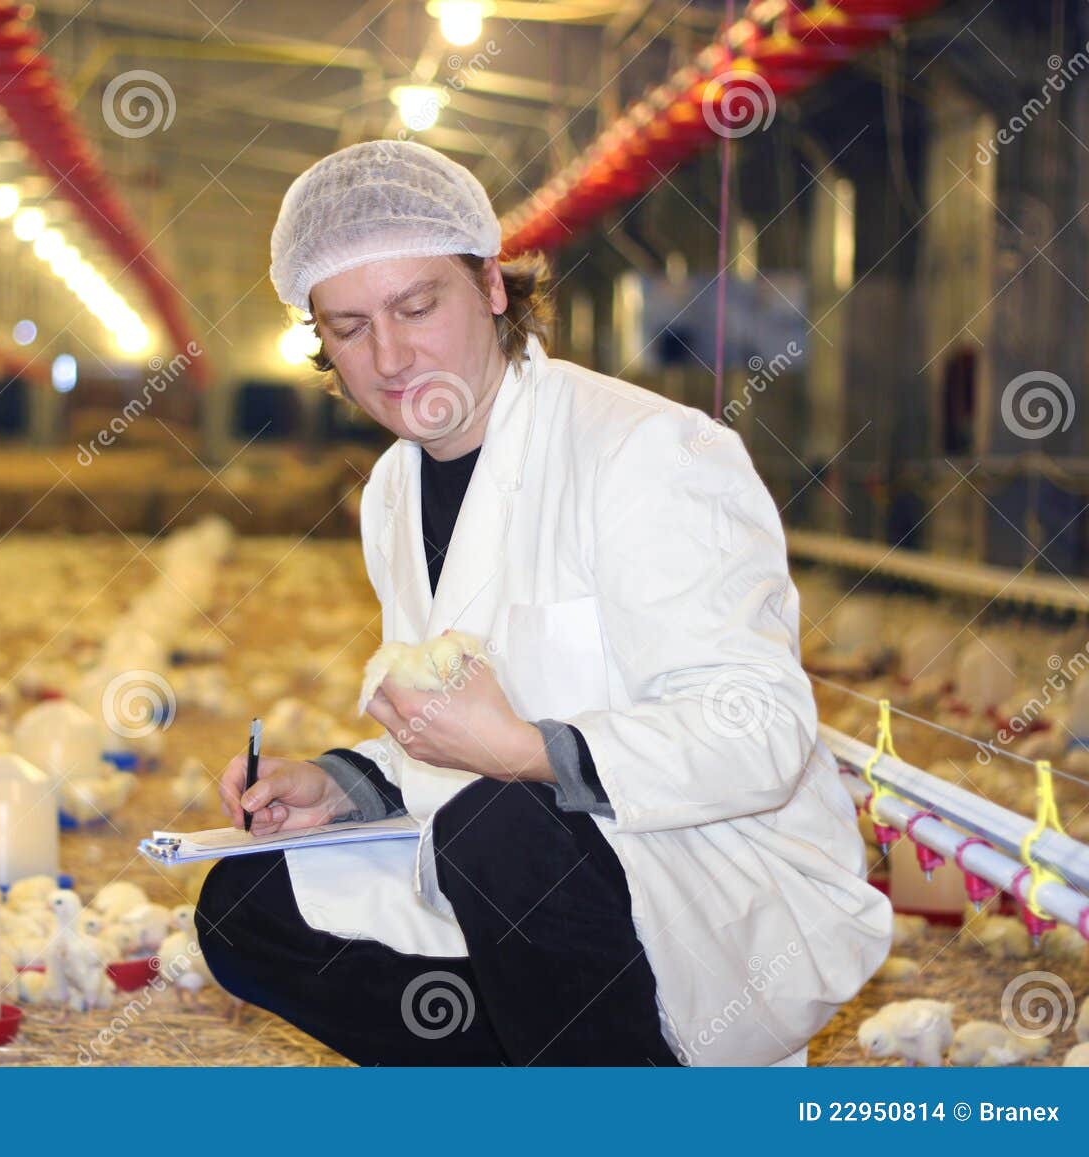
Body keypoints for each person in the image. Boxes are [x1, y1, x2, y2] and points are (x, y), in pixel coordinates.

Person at [192, 139, 892, 1067]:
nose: (392, 356)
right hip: (528, 864)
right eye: (351, 326)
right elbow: (464, 713)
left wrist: (524, 752)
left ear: (490, 286)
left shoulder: (645, 451)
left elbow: (759, 731)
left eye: (417, 305)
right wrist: (339, 783)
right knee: (243, 906)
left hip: (710, 878)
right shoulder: (395, 493)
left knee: (496, 825)